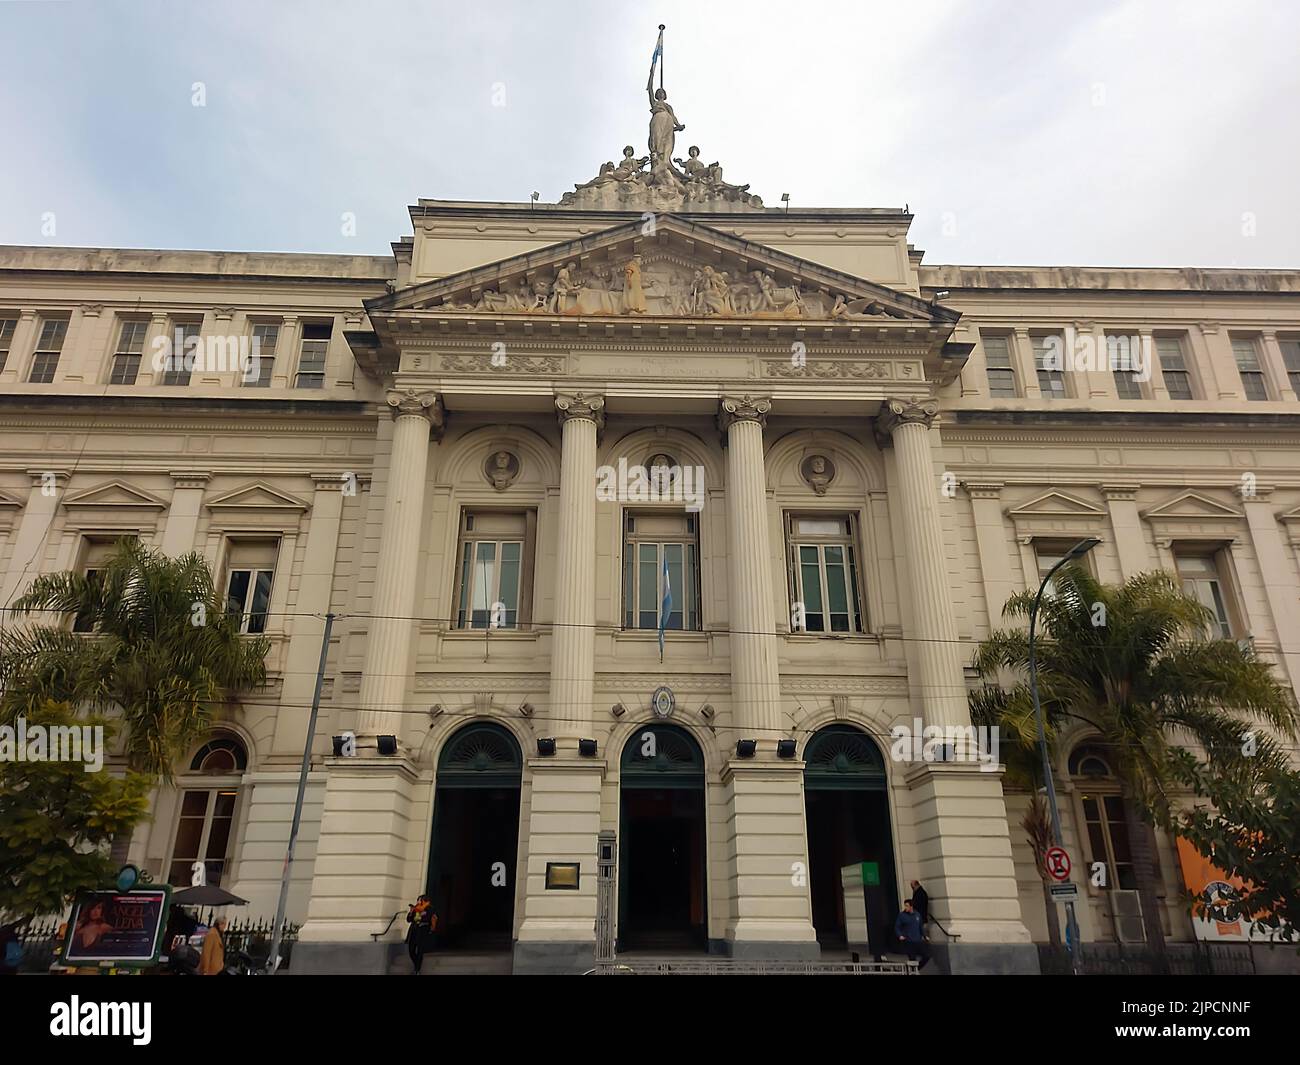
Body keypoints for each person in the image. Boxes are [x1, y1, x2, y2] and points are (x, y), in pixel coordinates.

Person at [894, 899, 929, 970]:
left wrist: (925, 936)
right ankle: (912, 971)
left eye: (907, 906)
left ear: (911, 907)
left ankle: (916, 968)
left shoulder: (917, 915)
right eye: (905, 906)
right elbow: (897, 926)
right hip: (908, 941)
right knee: (912, 959)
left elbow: (920, 927)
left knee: (926, 956)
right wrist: (900, 935)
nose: (905, 908)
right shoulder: (902, 915)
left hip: (918, 940)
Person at [405, 894, 435, 974]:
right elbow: (409, 919)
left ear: (424, 901)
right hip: (414, 931)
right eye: (417, 900)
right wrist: (411, 912)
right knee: (411, 950)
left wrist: (420, 913)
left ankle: (417, 969)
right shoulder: (415, 909)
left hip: (422, 931)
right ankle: (416, 965)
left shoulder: (429, 908)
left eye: (419, 900)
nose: (417, 902)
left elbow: (427, 918)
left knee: (420, 950)